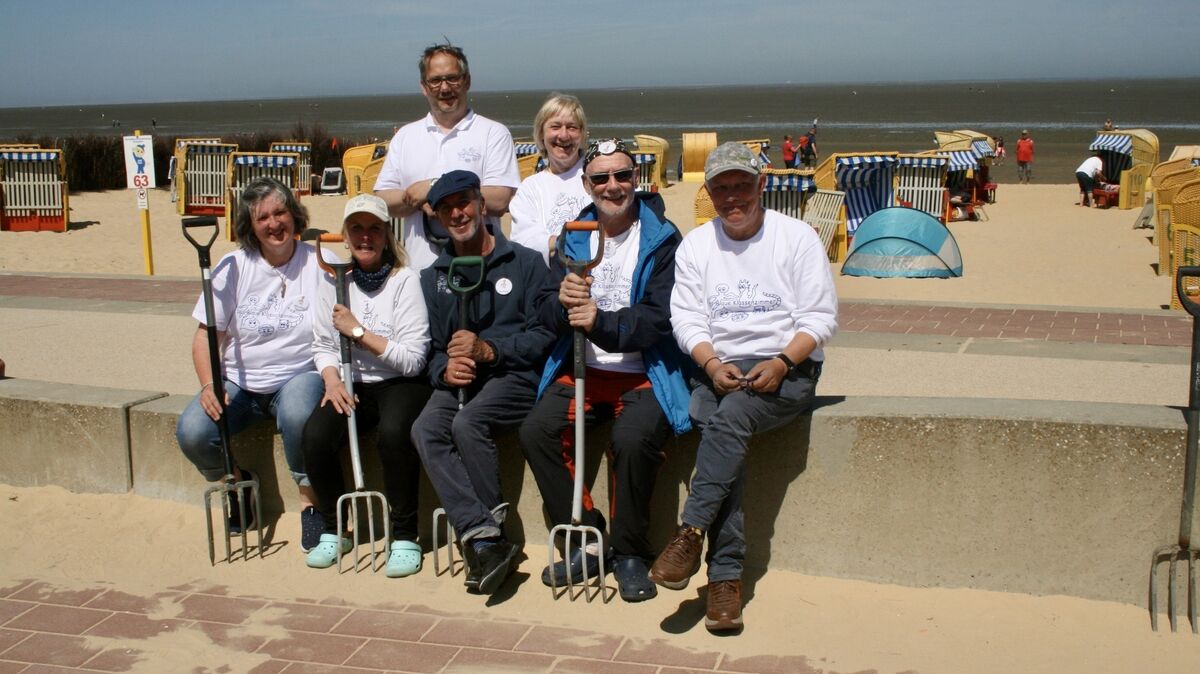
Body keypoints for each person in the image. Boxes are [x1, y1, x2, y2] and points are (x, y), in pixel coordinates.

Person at [648, 143, 838, 633]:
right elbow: (686, 319)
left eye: (741, 185)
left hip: (787, 369)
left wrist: (780, 361)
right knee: (721, 422)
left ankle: (693, 536)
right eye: (721, 187)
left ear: (762, 185)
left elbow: (819, 318)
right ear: (709, 192)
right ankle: (723, 581)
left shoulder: (796, 238)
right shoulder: (696, 245)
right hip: (719, 369)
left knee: (726, 419)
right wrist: (711, 365)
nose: (732, 197)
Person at [518, 139, 692, 603]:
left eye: (622, 175)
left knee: (632, 441)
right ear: (586, 183)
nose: (613, 186)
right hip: (581, 368)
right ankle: (586, 538)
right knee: (537, 430)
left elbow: (660, 317)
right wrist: (562, 301)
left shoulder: (663, 238)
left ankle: (630, 551)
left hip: (644, 372)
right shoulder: (573, 236)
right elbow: (541, 311)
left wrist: (602, 323)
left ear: (637, 178)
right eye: (601, 178)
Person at [411, 170, 556, 595]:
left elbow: (544, 335)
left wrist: (490, 351)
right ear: (437, 217)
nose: (457, 214)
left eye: (464, 202)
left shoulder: (526, 262)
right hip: (461, 381)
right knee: (425, 428)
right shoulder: (435, 276)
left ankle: (487, 536)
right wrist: (444, 371)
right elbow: (434, 350)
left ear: (482, 204)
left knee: (467, 422)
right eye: (446, 208)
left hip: (515, 377)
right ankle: (487, 538)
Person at [175, 177, 325, 553]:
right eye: (263, 218)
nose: (274, 224)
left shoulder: (317, 262)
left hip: (298, 375)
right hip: (239, 384)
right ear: (250, 225)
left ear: (294, 214)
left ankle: (311, 503)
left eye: (280, 212)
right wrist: (210, 384)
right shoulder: (233, 267)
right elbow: (205, 337)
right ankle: (236, 483)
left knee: (297, 415)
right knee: (192, 431)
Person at [301, 194, 432, 576]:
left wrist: (358, 332)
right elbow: (322, 345)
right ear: (344, 236)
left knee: (394, 434)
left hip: (400, 384)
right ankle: (334, 528)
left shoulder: (404, 281)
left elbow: (413, 359)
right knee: (316, 435)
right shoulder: (335, 281)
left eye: (374, 228)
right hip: (351, 382)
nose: (365, 237)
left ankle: (406, 535)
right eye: (356, 228)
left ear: (386, 235)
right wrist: (330, 378)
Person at [373, 43, 521, 271]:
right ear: (424, 86)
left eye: (453, 78)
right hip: (420, 270)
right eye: (435, 80)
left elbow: (500, 200)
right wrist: (419, 198)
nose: (444, 88)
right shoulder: (405, 137)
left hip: (484, 268)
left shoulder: (493, 133)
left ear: (467, 81)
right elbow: (382, 201)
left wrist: (434, 189)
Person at [508, 93, 591, 265]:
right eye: (555, 127)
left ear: (582, 134)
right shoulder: (530, 188)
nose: (563, 135)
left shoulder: (600, 176)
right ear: (541, 133)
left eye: (572, 127)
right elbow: (523, 240)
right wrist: (567, 243)